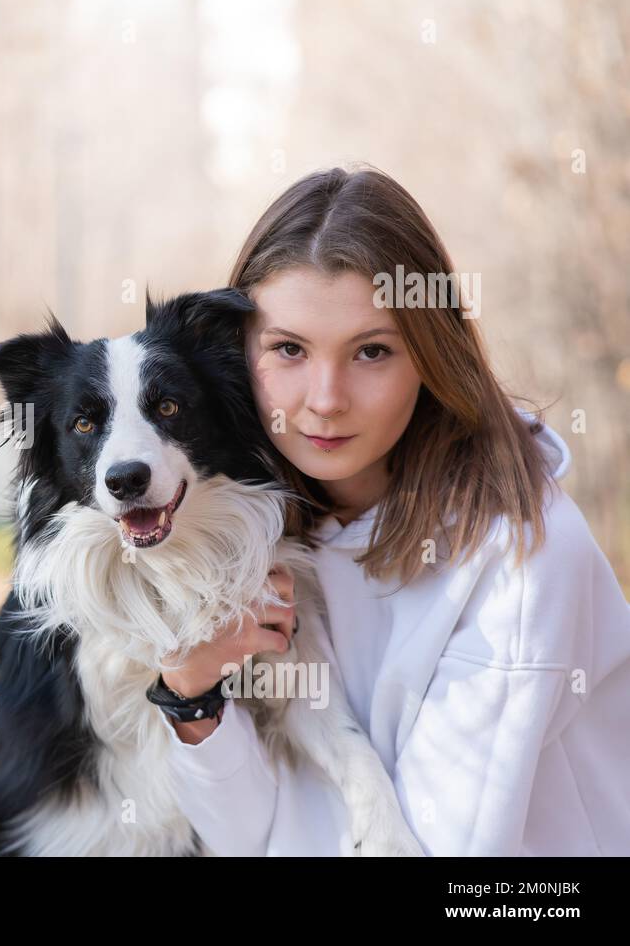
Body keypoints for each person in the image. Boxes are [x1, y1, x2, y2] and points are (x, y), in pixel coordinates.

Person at [161, 165, 630, 856]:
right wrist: (192, 694)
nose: (325, 398)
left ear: (432, 358)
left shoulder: (522, 562)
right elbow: (247, 836)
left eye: (372, 351)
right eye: (289, 348)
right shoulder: (256, 538)